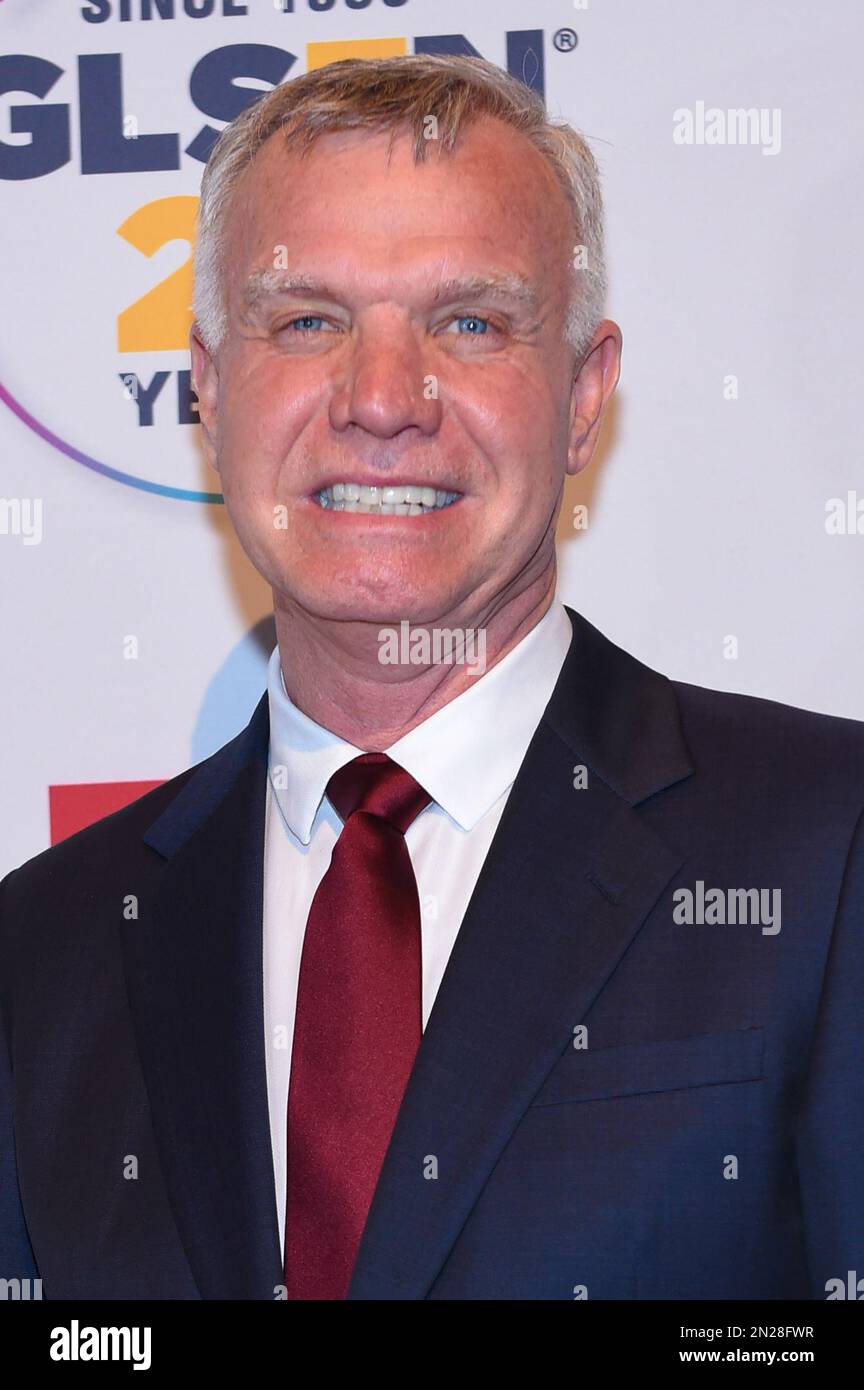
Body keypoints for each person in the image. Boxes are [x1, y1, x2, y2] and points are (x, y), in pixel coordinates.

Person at [1, 54, 862, 1301]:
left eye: (469, 321)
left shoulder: (826, 849)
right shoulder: (43, 951)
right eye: (308, 320)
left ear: (583, 394)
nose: (383, 400)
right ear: (207, 387)